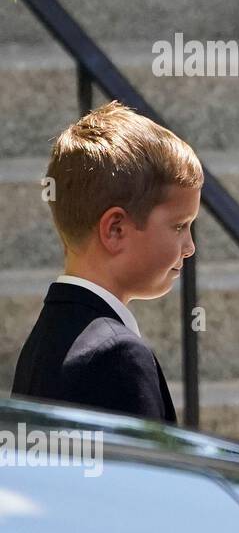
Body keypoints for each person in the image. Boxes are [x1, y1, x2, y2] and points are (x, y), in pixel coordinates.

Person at [12, 101, 202, 422]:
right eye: (179, 226)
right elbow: (141, 473)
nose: (190, 247)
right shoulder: (116, 356)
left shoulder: (47, 337)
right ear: (115, 229)